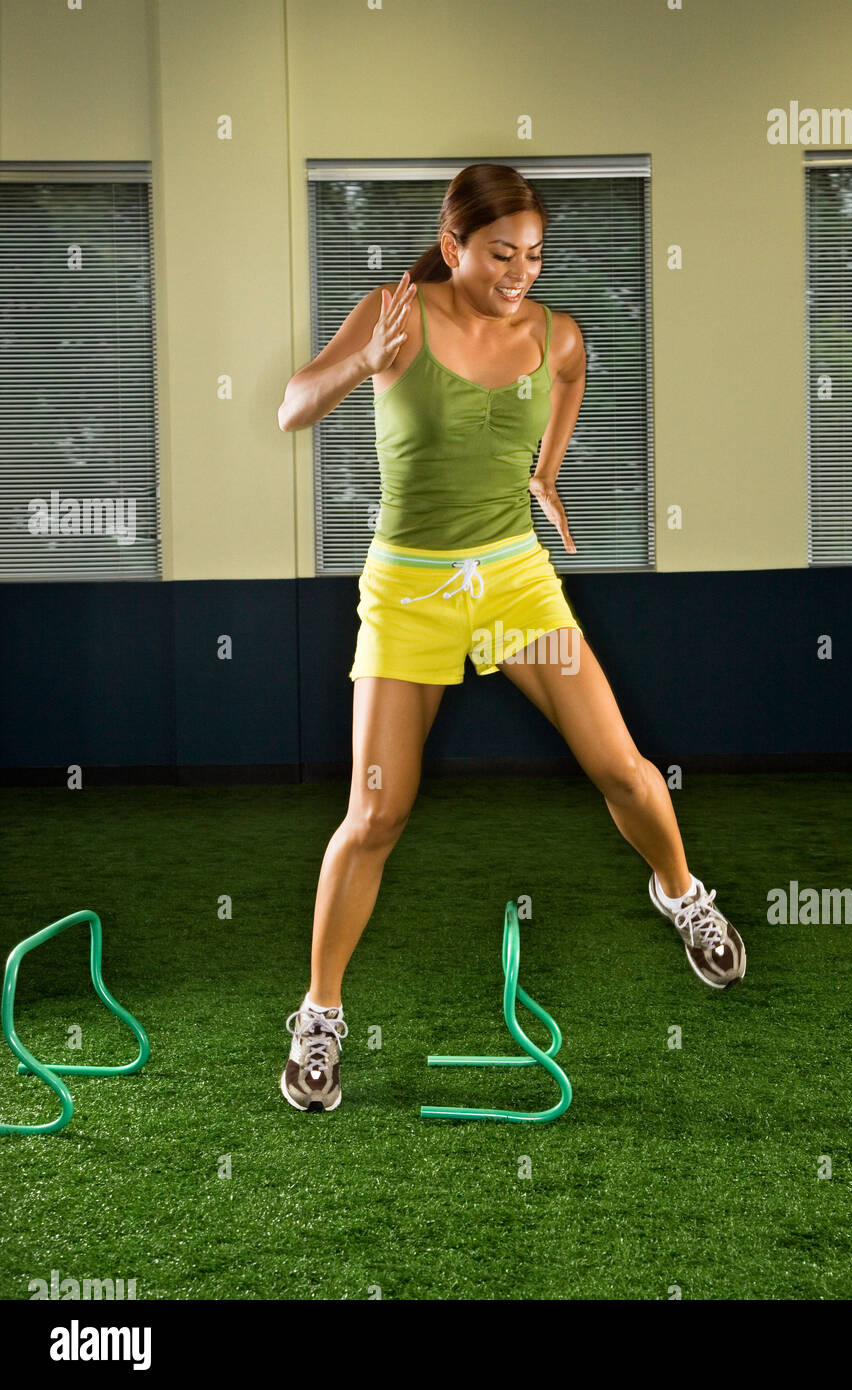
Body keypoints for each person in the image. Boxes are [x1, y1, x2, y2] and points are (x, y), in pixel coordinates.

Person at [276, 164, 745, 1113]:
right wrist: (361, 365)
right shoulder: (395, 313)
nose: (519, 273)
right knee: (377, 814)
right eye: (501, 254)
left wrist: (547, 473)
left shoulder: (553, 332)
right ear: (453, 246)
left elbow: (570, 375)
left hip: (515, 583)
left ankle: (681, 892)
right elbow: (291, 406)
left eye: (533, 255)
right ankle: (319, 1016)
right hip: (410, 591)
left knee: (622, 767)